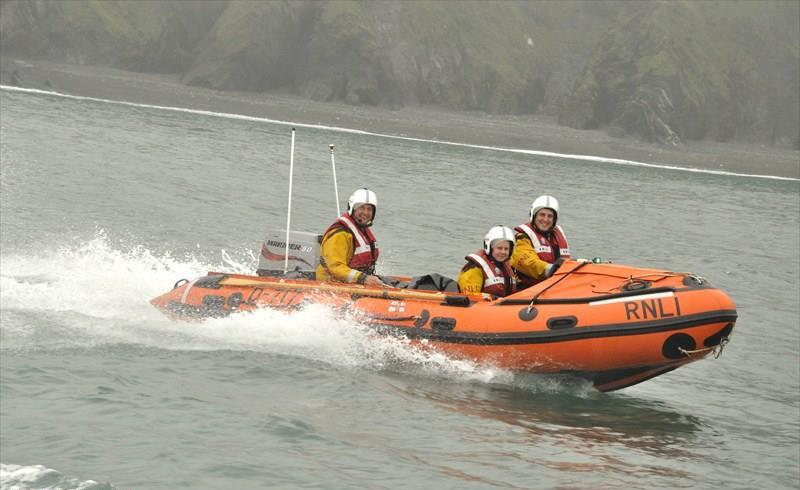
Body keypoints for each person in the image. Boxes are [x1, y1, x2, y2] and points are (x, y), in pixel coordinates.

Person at [316, 188, 384, 286]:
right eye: (362, 207)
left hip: (355, 283)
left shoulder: (361, 230)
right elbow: (335, 267)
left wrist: (366, 278)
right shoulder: (340, 234)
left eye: (369, 209)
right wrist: (363, 278)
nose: (365, 212)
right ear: (353, 208)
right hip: (331, 285)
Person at [510, 195, 571, 289]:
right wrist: (549, 269)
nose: (545, 220)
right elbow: (526, 262)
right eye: (542, 215)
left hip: (556, 288)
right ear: (534, 216)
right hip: (528, 290)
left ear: (554, 219)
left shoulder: (558, 235)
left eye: (550, 216)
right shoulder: (523, 237)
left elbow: (567, 261)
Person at [458, 225, 516, 297]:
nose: (503, 252)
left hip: (505, 305)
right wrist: (491, 298)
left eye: (506, 249)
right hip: (484, 306)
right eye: (499, 248)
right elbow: (470, 297)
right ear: (490, 247)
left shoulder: (506, 266)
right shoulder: (474, 269)